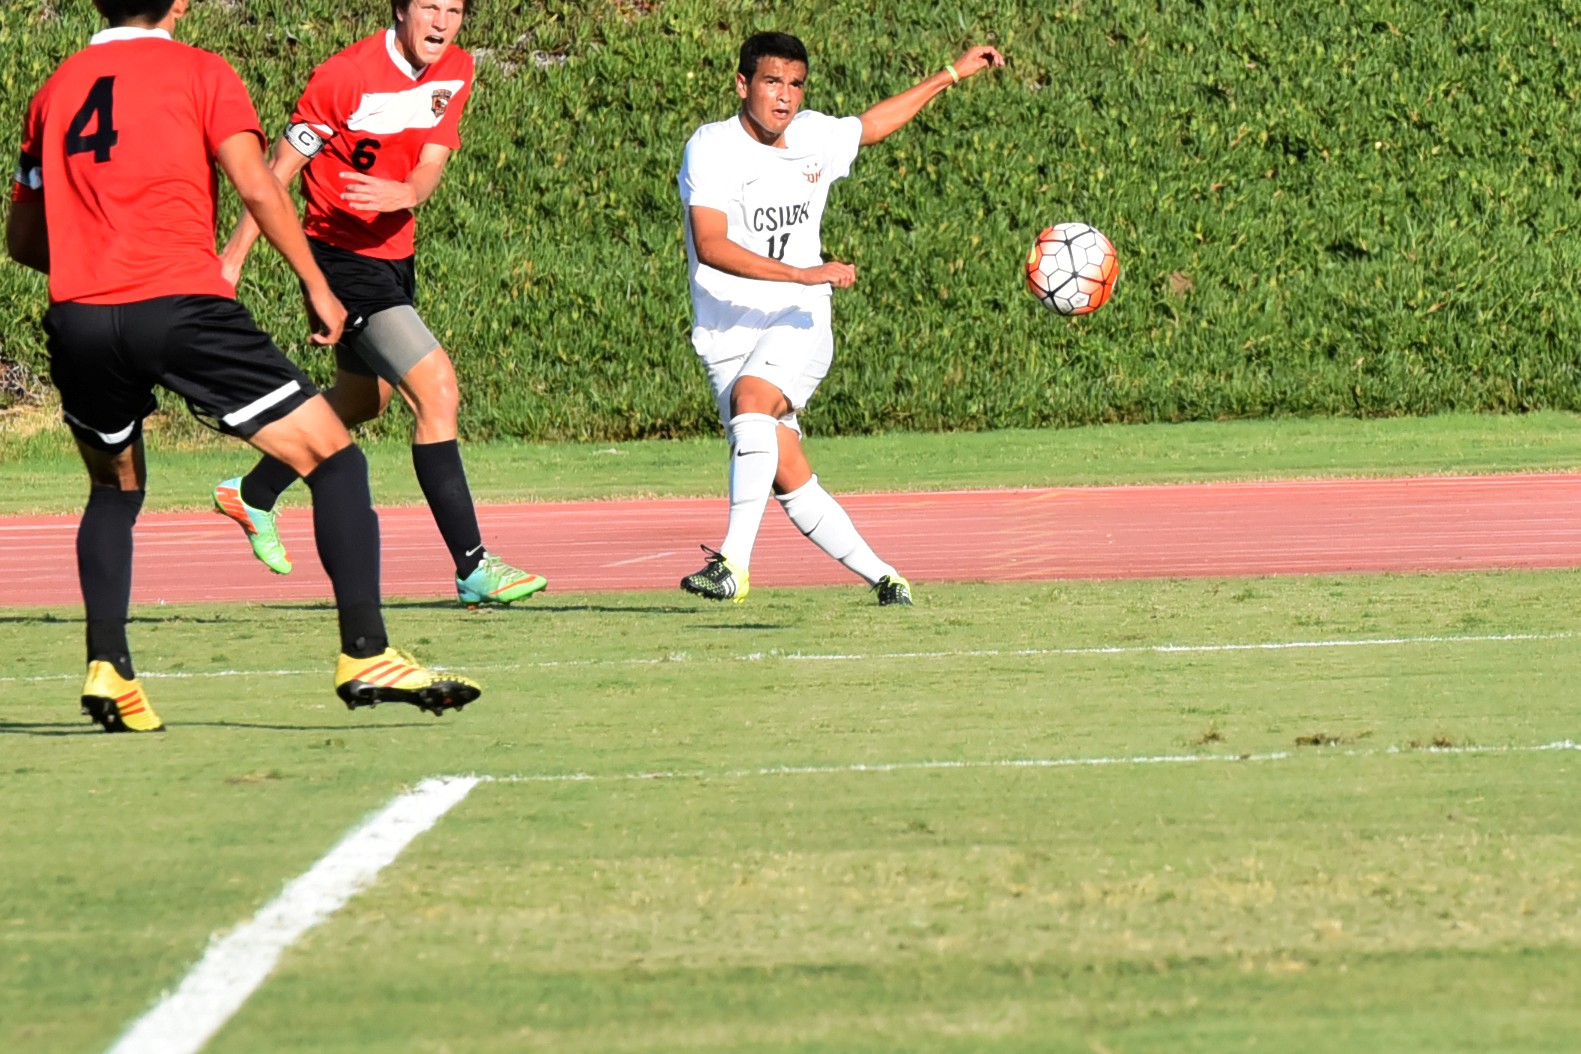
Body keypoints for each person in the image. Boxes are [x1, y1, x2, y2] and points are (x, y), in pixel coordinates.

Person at [7, 0, 481, 732]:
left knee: (114, 492)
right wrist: (316, 285)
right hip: (180, 308)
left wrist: (94, 262)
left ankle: (109, 666)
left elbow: (24, 241)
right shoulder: (200, 70)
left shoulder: (54, 90)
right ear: (180, 4)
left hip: (79, 319)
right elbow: (259, 185)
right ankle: (365, 652)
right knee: (334, 459)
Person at [211, 0, 545, 609]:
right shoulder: (343, 76)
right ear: (399, 10)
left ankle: (254, 491)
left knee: (366, 399)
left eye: (454, 10)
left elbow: (430, 165)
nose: (441, 23)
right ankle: (473, 565)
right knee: (437, 388)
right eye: (429, 8)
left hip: (395, 258)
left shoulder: (458, 68)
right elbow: (274, 175)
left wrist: (406, 191)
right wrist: (230, 262)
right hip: (339, 260)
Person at [677, 32, 1004, 605]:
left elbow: (872, 125)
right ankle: (886, 576)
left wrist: (950, 74)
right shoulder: (711, 147)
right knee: (787, 471)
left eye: (795, 84)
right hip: (726, 330)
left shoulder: (812, 137)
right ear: (742, 84)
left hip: (799, 320)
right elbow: (710, 244)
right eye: (772, 82)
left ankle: (732, 564)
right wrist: (803, 271)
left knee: (751, 401)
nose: (784, 97)